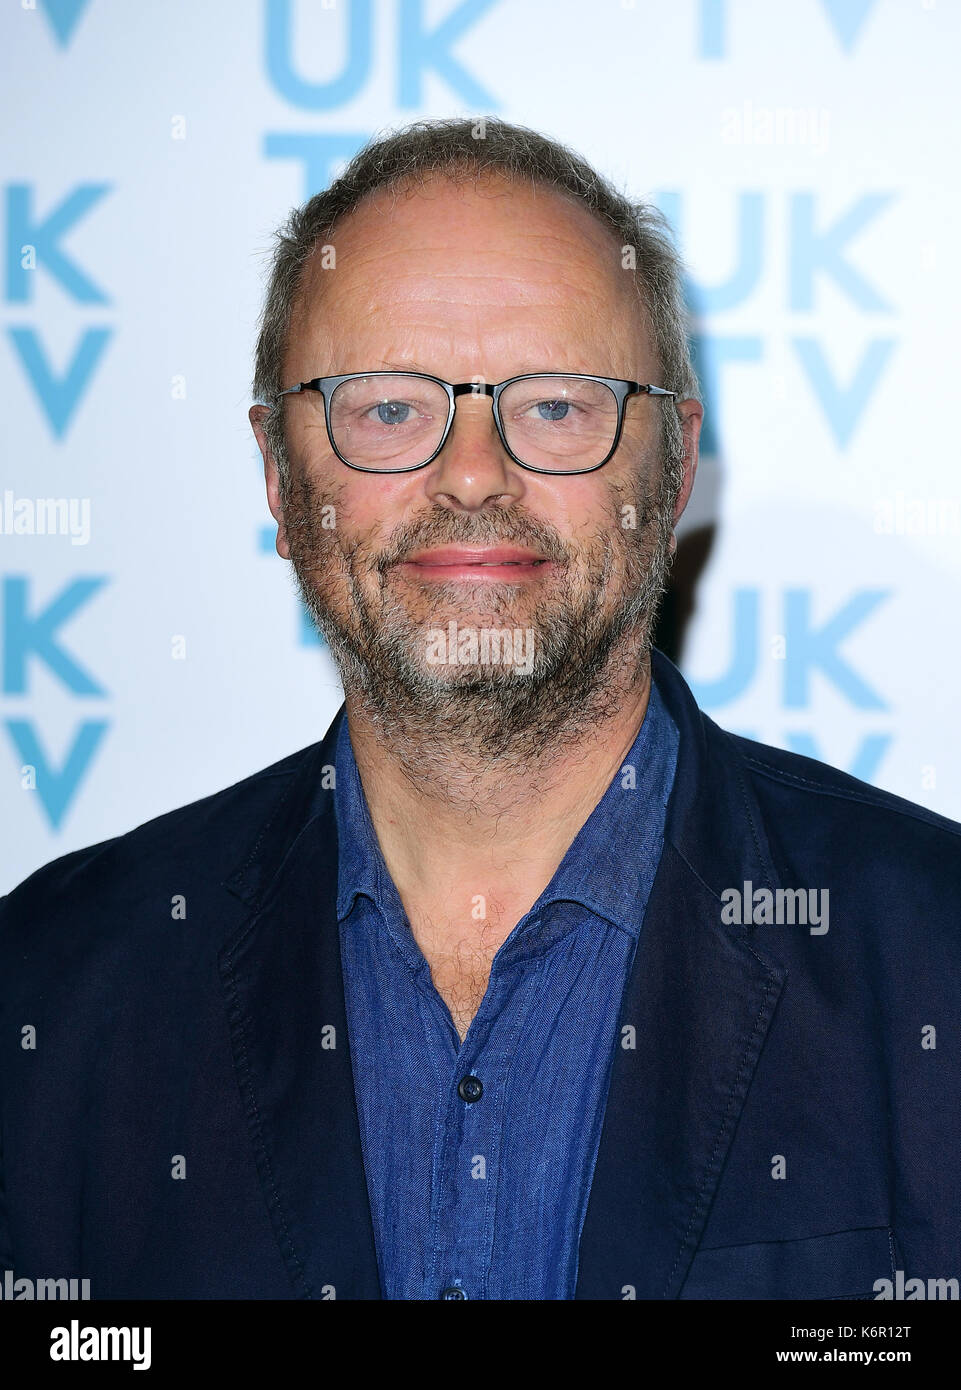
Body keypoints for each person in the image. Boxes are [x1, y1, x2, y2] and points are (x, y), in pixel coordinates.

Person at [1, 117, 959, 1302]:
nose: (471, 473)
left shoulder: (935, 964)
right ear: (277, 473)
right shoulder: (48, 992)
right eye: (388, 408)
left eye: (557, 405)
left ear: (671, 471)